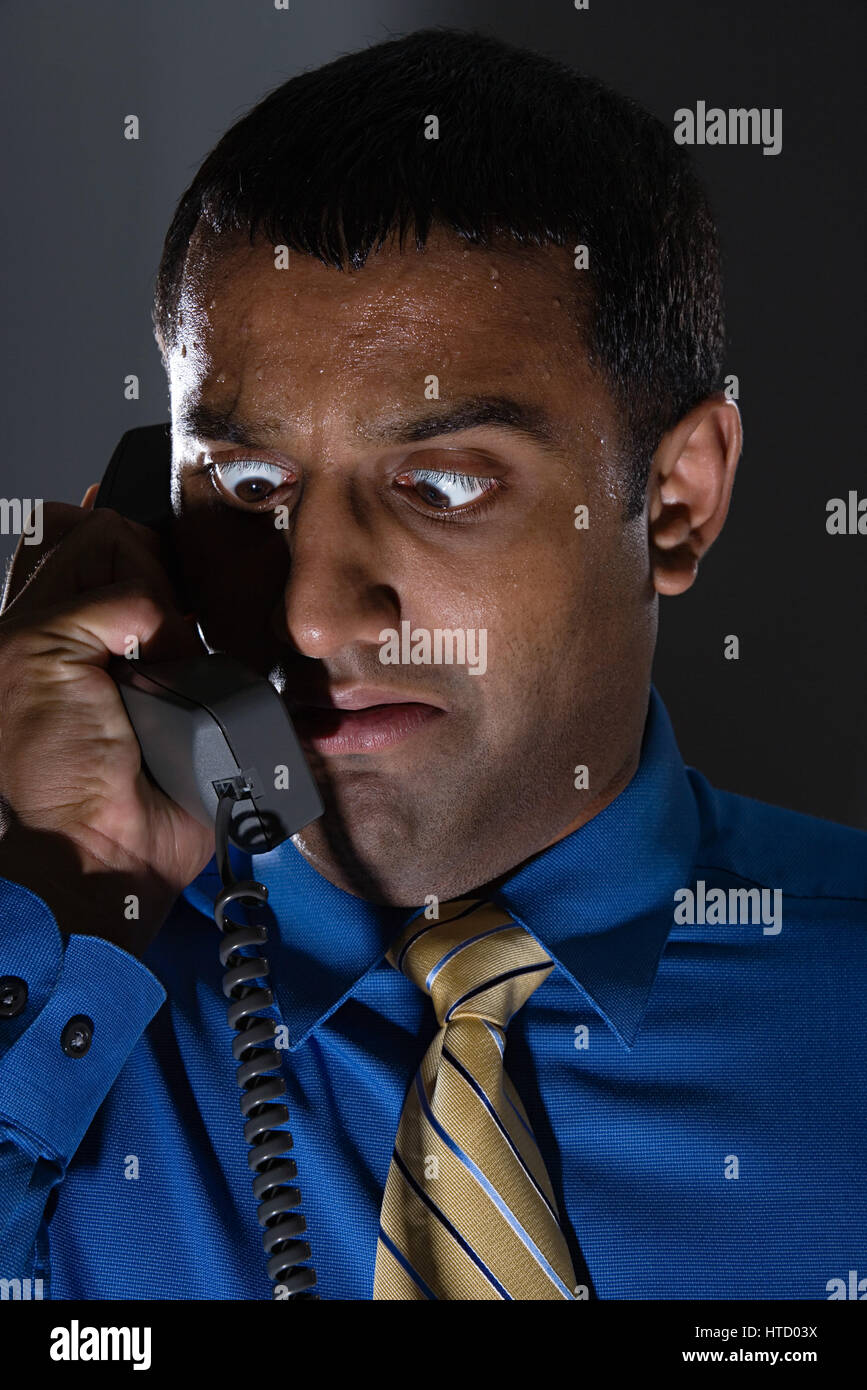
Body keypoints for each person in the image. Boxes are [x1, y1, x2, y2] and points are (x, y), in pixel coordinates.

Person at [0, 27, 863, 1302]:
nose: (312, 614)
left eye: (444, 482)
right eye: (246, 484)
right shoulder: (54, 1002)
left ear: (678, 499)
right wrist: (57, 887)